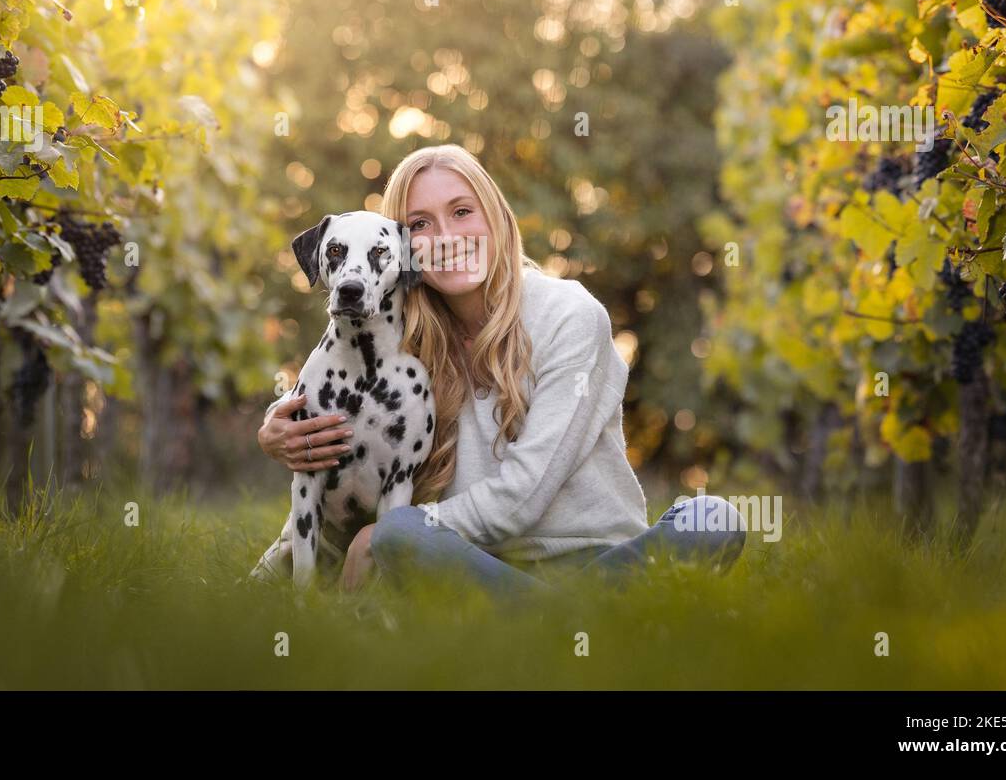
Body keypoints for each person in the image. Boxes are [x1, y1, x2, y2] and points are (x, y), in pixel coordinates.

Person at [257, 144, 746, 598]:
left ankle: (551, 615)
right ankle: (587, 618)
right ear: (402, 250)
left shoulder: (569, 315)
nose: (446, 236)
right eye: (421, 224)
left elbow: (522, 497)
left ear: (496, 217)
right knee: (403, 533)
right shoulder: (406, 342)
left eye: (462, 211)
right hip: (476, 568)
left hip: (605, 558)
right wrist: (282, 427)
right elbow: (335, 417)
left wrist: (378, 537)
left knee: (710, 517)